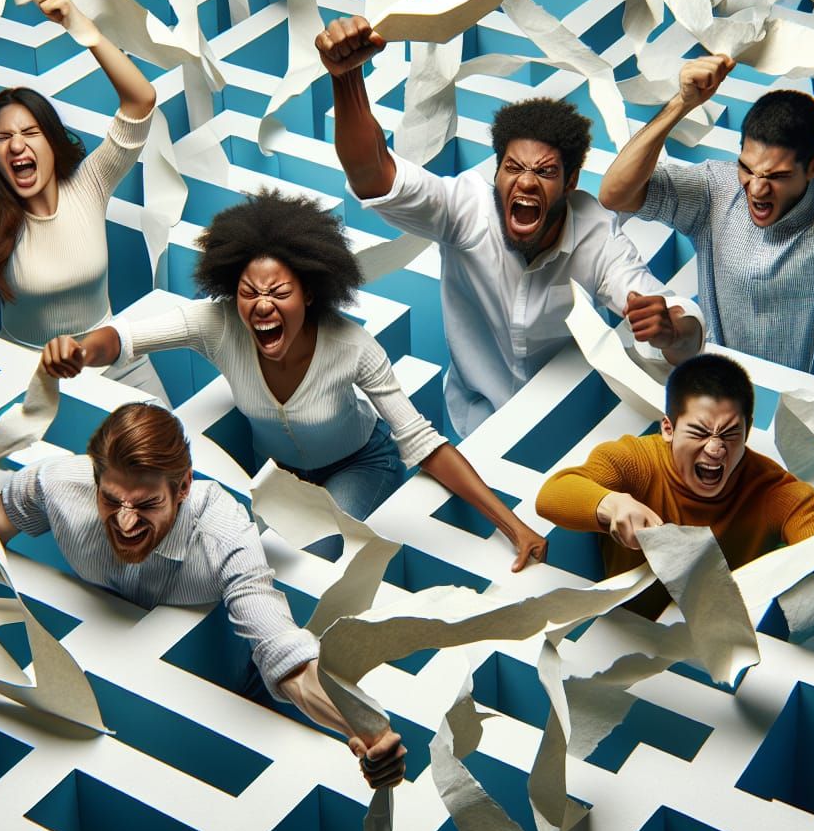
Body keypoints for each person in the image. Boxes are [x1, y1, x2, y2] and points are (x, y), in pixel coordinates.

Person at [41, 189, 547, 571]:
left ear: (309, 293)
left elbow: (423, 442)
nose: (261, 305)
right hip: (279, 476)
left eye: (279, 291)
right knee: (239, 557)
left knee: (310, 553)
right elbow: (126, 337)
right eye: (248, 292)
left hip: (360, 464)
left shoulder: (352, 348)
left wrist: (513, 525)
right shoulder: (218, 327)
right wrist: (81, 350)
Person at [0, 403, 405, 789]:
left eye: (147, 505)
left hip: (230, 684)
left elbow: (288, 657)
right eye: (111, 500)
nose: (126, 522)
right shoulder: (54, 484)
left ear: (183, 488)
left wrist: (363, 729)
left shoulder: (225, 532)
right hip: (110, 679)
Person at [314, 16, 705, 438]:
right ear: (497, 173)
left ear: (571, 182)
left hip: (566, 421)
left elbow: (681, 325)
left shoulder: (596, 236)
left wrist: (671, 330)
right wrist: (347, 78)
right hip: (476, 419)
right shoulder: (466, 209)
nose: (526, 181)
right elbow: (372, 172)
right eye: (513, 167)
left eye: (546, 171)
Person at [599, 55, 814, 378]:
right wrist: (682, 103)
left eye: (777, 177)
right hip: (719, 384)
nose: (757, 189)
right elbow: (615, 194)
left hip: (804, 397)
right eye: (747, 169)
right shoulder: (714, 188)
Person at [0, 0, 166, 397]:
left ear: (51, 142)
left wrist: (81, 25)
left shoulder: (89, 185)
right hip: (30, 380)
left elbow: (141, 101)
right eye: (2, 137)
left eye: (29, 132)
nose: (17, 145)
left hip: (114, 364)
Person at [536, 353, 814, 618]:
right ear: (668, 428)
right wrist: (610, 505)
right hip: (628, 631)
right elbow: (552, 495)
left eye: (730, 434)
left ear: (748, 430)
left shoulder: (773, 492)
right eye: (699, 432)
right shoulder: (637, 461)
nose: (715, 448)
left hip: (720, 647)